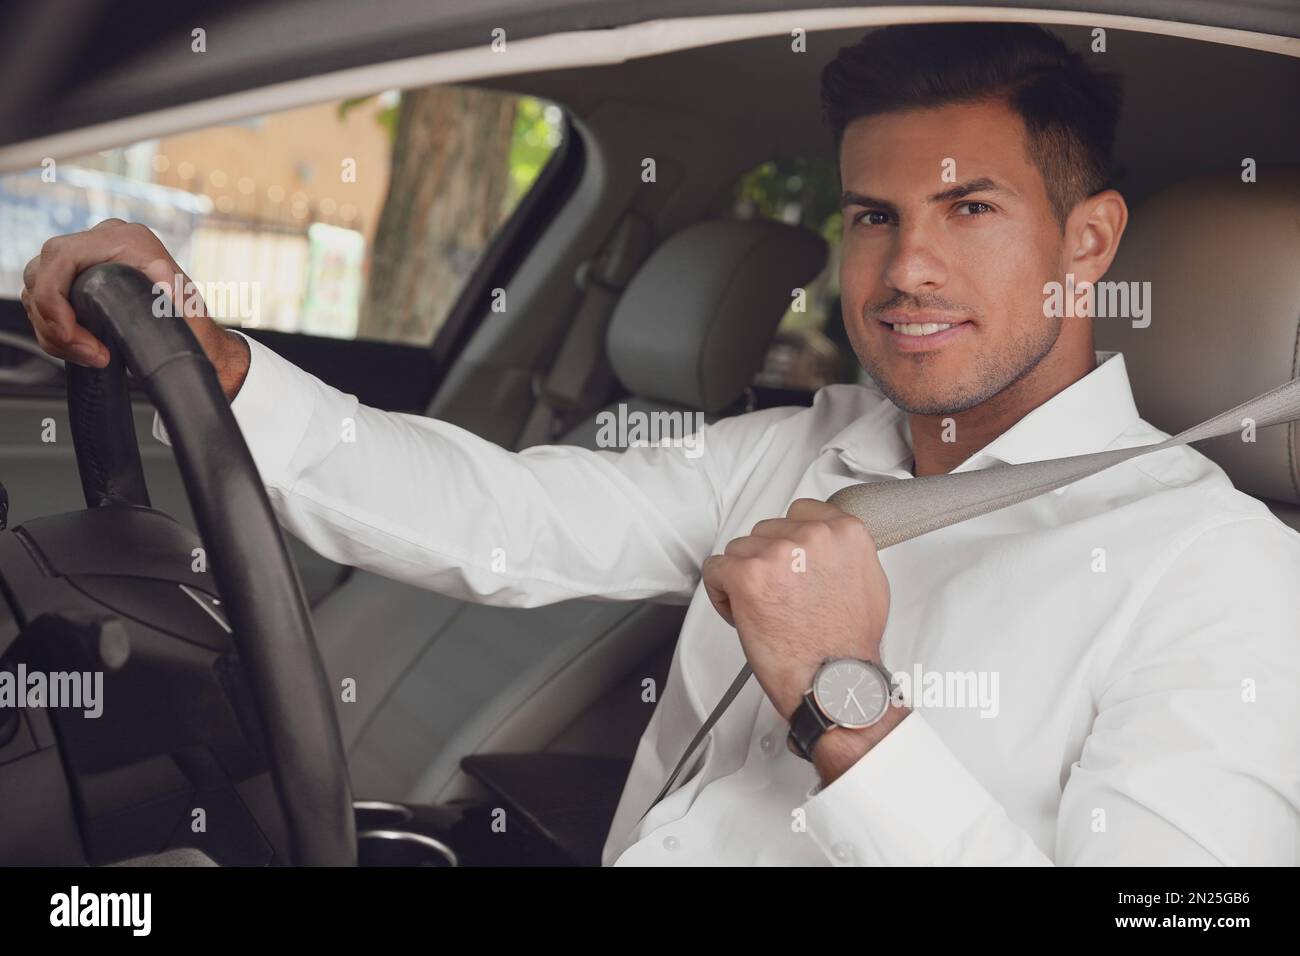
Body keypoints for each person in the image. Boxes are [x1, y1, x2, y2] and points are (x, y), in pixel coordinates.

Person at [20, 23, 1300, 866]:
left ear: (1087, 241)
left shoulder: (1222, 574)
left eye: (969, 208)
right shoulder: (801, 450)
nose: (906, 267)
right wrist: (219, 365)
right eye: (872, 215)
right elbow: (500, 517)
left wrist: (844, 698)